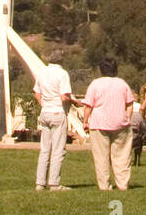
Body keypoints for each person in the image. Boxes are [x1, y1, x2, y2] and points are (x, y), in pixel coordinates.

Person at [82, 57, 135, 191]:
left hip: (99, 123)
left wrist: (85, 121)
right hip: (120, 123)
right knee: (122, 156)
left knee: (101, 157)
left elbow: (88, 105)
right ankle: (123, 184)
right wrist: (127, 118)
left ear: (101, 69)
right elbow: (130, 104)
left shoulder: (95, 84)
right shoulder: (122, 84)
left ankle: (104, 186)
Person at [34, 61, 73, 191]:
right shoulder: (62, 74)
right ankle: (54, 183)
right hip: (57, 112)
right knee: (57, 150)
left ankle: (40, 183)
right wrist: (74, 101)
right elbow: (63, 97)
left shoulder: (42, 72)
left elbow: (36, 93)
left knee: (44, 149)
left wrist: (44, 105)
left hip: (45, 113)